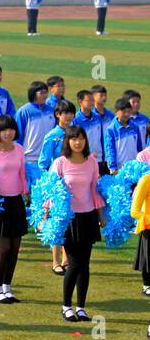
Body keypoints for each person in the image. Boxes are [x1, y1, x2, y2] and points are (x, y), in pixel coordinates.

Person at [50, 125, 105, 324]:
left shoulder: (92, 162)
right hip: (68, 219)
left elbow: (94, 190)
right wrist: (46, 217)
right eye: (74, 139)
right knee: (73, 264)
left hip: (88, 217)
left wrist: (101, 216)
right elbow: (50, 191)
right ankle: (66, 306)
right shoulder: (60, 163)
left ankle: (81, 307)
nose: (78, 142)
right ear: (68, 141)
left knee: (85, 265)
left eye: (81, 138)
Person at [0, 114, 29, 304]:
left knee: (15, 248)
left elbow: (22, 173)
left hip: (16, 201)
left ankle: (8, 288)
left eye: (11, 129)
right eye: (4, 130)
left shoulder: (19, 149)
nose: (8, 133)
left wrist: (26, 191)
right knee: (3, 248)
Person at [131, 168, 150, 298]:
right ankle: (147, 285)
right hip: (148, 228)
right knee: (148, 258)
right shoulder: (145, 180)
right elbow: (134, 211)